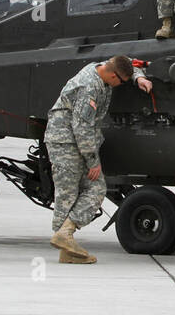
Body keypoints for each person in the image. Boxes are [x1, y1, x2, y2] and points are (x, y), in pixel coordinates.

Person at [46, 55, 153, 264]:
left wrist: (138, 77)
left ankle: (66, 243)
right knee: (68, 195)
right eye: (120, 82)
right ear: (113, 76)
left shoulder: (103, 69)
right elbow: (82, 128)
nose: (119, 86)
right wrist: (93, 161)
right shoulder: (89, 88)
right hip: (66, 142)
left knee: (93, 189)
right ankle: (65, 241)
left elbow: (127, 62)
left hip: (75, 142)